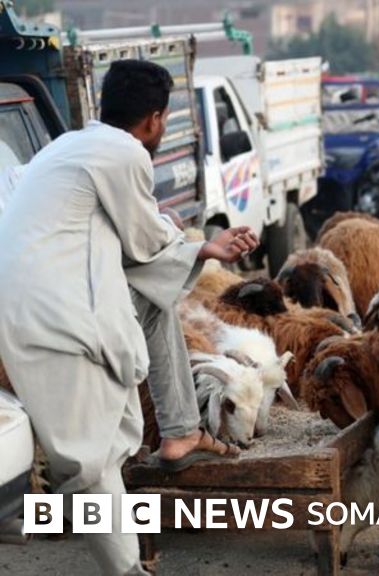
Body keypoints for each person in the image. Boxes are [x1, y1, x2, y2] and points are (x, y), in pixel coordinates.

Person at [0, 60, 259, 574]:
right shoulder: (124, 153)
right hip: (55, 321)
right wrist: (205, 247)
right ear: (157, 119)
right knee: (88, 466)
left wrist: (197, 246)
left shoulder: (70, 147)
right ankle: (128, 572)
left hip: (45, 307)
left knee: (109, 442)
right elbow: (145, 244)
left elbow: (138, 250)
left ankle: (180, 429)